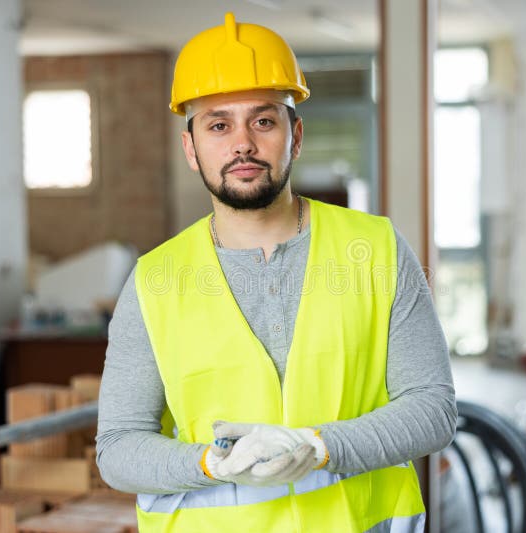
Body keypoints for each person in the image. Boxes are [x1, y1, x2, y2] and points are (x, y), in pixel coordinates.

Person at [96, 12, 456, 533]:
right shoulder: (155, 281)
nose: (242, 143)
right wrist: (209, 463)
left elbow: (432, 409)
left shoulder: (375, 249)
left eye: (263, 121)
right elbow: (118, 448)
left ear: (296, 134)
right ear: (191, 147)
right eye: (219, 124)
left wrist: (320, 448)